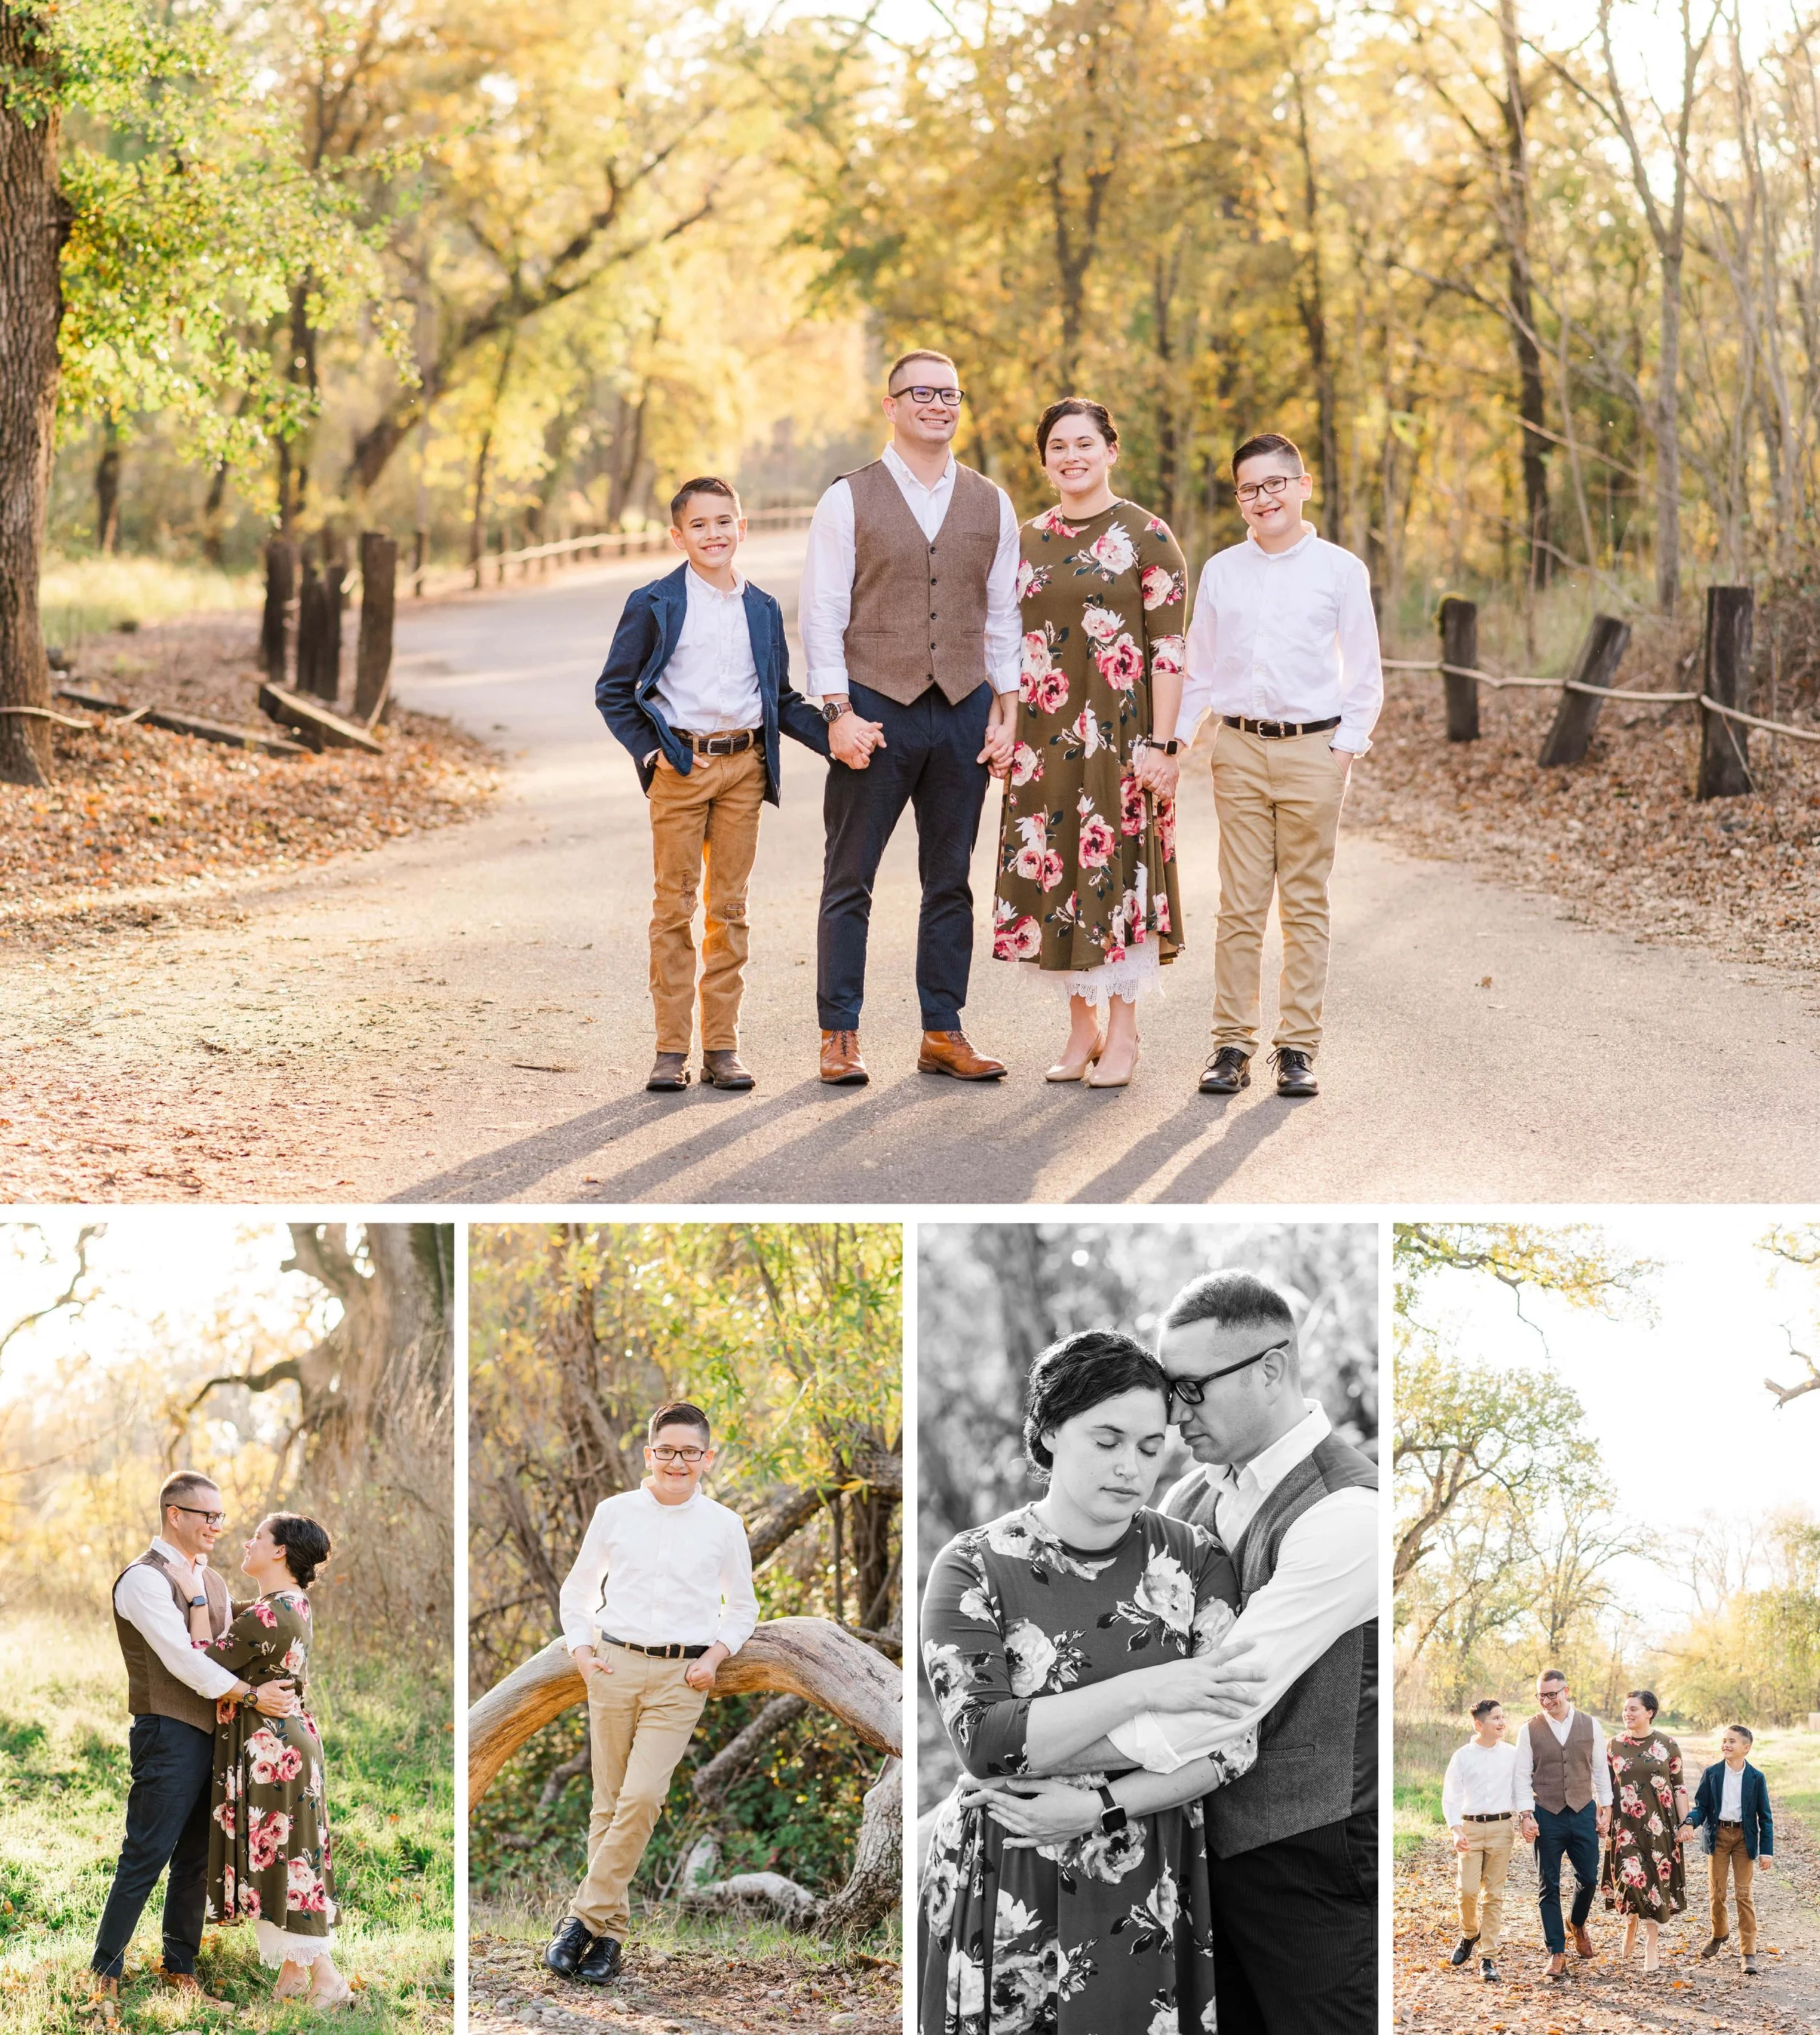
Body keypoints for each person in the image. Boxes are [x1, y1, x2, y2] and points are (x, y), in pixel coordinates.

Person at [918, 1330, 1265, 2034]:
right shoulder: (971, 1566)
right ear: (1049, 1431)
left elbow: (1232, 1743)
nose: (1130, 1466)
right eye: (1106, 1439)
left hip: (1145, 1875)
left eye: (1148, 1445)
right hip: (1005, 1872)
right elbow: (988, 1742)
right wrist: (1151, 1689)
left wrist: (1099, 1806)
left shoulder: (1198, 1561)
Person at [798, 348, 1020, 1086]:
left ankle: (941, 1030)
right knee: (850, 876)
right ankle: (839, 1034)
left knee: (949, 879)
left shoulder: (992, 501)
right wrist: (835, 711)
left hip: (962, 711)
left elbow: (1004, 618)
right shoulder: (848, 498)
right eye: (920, 392)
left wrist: (1007, 707)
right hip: (874, 710)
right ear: (890, 405)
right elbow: (823, 612)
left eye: (950, 393)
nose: (937, 404)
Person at [596, 475, 831, 1094]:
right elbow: (614, 692)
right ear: (678, 536)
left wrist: (837, 738)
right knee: (674, 909)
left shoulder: (762, 608)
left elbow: (779, 697)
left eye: (723, 522)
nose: (713, 534)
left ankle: (722, 1046)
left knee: (729, 909)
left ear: (742, 527)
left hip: (743, 771)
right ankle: (671, 1049)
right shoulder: (655, 603)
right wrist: (654, 753)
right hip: (681, 768)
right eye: (698, 525)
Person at [1176, 432, 1382, 1100]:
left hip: (1313, 750)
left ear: (1303, 486)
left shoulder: (1341, 570)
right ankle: (1231, 1044)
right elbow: (1199, 668)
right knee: (1239, 905)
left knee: (1304, 903)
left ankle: (1297, 1047)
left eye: (1275, 484)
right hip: (1237, 749)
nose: (1263, 498)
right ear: (1238, 499)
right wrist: (1178, 744)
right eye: (1249, 488)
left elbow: (1364, 671)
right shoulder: (1222, 571)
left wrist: (1345, 749)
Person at [991, 398, 1188, 1090]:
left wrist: (1163, 746)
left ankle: (1126, 1033)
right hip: (1044, 737)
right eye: (1057, 447)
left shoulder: (1148, 535)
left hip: (1120, 735)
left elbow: (1169, 649)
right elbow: (1005, 643)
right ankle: (1082, 1029)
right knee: (1057, 871)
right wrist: (1005, 722)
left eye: (1084, 443)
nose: (1071, 456)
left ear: (1111, 449)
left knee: (1118, 872)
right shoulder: (1024, 539)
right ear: (1044, 461)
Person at [544, 1402, 759, 1988]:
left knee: (641, 1798)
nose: (678, 1461)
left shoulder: (724, 1525)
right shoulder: (615, 1512)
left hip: (681, 1677)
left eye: (691, 1451)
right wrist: (583, 1653)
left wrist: (714, 1658)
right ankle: (609, 1939)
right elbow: (578, 1590)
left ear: (707, 1458)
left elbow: (742, 1607)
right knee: (607, 1804)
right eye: (667, 1450)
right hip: (612, 1665)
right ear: (649, 1454)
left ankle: (580, 1920)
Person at [90, 1473, 299, 2007]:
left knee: (196, 1859)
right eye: (206, 1515)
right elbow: (183, 1658)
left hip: (222, 1738)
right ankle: (103, 1974)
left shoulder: (218, 1584)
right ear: (173, 1513)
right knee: (146, 1851)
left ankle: (179, 1968)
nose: (217, 1526)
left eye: (220, 1516)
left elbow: (232, 1652)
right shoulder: (142, 1580)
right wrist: (252, 1697)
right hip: (166, 1730)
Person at [198, 1512, 352, 2008]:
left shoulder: (270, 1614)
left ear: (281, 1550)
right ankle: (291, 1973)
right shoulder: (286, 1603)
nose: (248, 1542)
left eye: (258, 1537)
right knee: (284, 1857)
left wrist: (195, 1601)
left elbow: (202, 1660)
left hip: (273, 1747)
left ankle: (327, 1978)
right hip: (283, 1741)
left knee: (283, 1862)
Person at [1514, 1667, 1612, 1983]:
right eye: (1541, 1695)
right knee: (1549, 1885)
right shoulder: (1528, 1729)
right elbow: (1520, 1776)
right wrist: (1526, 1814)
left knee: (1589, 1879)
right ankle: (1556, 1950)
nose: (1546, 1701)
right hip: (1547, 1813)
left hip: (1584, 1811)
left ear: (1567, 1691)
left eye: (1552, 1694)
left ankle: (1577, 1922)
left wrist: (1606, 1807)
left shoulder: (1591, 1724)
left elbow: (1600, 1770)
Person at [1598, 1688, 1687, 1972]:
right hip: (1625, 1825)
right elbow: (1605, 1788)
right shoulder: (1613, 1746)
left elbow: (1679, 1786)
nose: (1628, 1714)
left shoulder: (1667, 1744)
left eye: (1633, 1709)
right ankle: (1630, 1922)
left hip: (1659, 1825)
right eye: (1625, 1709)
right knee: (1630, 1876)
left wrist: (1686, 1824)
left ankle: (1651, 1943)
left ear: (1649, 1712)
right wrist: (1603, 1816)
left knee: (1655, 1883)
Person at [1680, 1721, 1775, 1975]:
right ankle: (1719, 1934)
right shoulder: (1712, 1773)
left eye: (1732, 1741)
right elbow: (1701, 1806)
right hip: (1718, 1836)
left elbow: (1765, 1817)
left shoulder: (1756, 1778)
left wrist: (1767, 1851)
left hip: (1744, 1839)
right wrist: (1690, 1822)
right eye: (1724, 1740)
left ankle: (1748, 1952)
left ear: (1746, 1748)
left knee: (1743, 1894)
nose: (1726, 1744)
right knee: (1717, 1892)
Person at [1442, 1697, 1519, 1983]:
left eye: (1503, 1717)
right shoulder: (1463, 1756)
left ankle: (1488, 1957)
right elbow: (1450, 1796)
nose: (1502, 1723)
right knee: (1467, 1892)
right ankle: (1469, 1934)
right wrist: (1455, 1829)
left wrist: (1526, 1815)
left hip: (1501, 1828)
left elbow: (1521, 1788)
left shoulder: (1512, 1754)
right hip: (1470, 1829)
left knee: (1494, 1896)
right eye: (1496, 1718)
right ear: (1479, 1724)